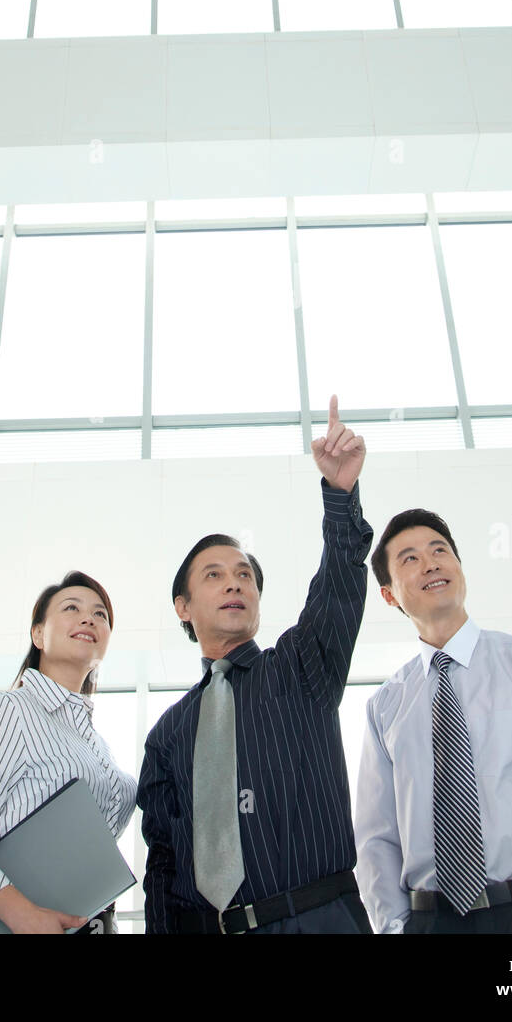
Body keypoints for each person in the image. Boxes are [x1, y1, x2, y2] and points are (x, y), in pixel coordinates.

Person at [137, 395, 375, 934]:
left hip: (322, 918)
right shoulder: (167, 734)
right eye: (215, 575)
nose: (234, 583)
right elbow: (163, 864)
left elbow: (336, 590)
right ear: (184, 607)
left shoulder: (300, 666)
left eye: (245, 575)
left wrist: (339, 494)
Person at [354, 508, 512, 936]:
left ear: (459, 567)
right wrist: (393, 925)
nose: (431, 562)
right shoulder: (385, 706)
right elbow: (375, 833)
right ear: (389, 595)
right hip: (429, 920)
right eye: (410, 558)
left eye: (440, 550)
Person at [0, 570, 137, 935]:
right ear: (38, 634)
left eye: (100, 615)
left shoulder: (98, 744)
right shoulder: (12, 710)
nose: (88, 618)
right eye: (71, 608)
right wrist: (24, 917)